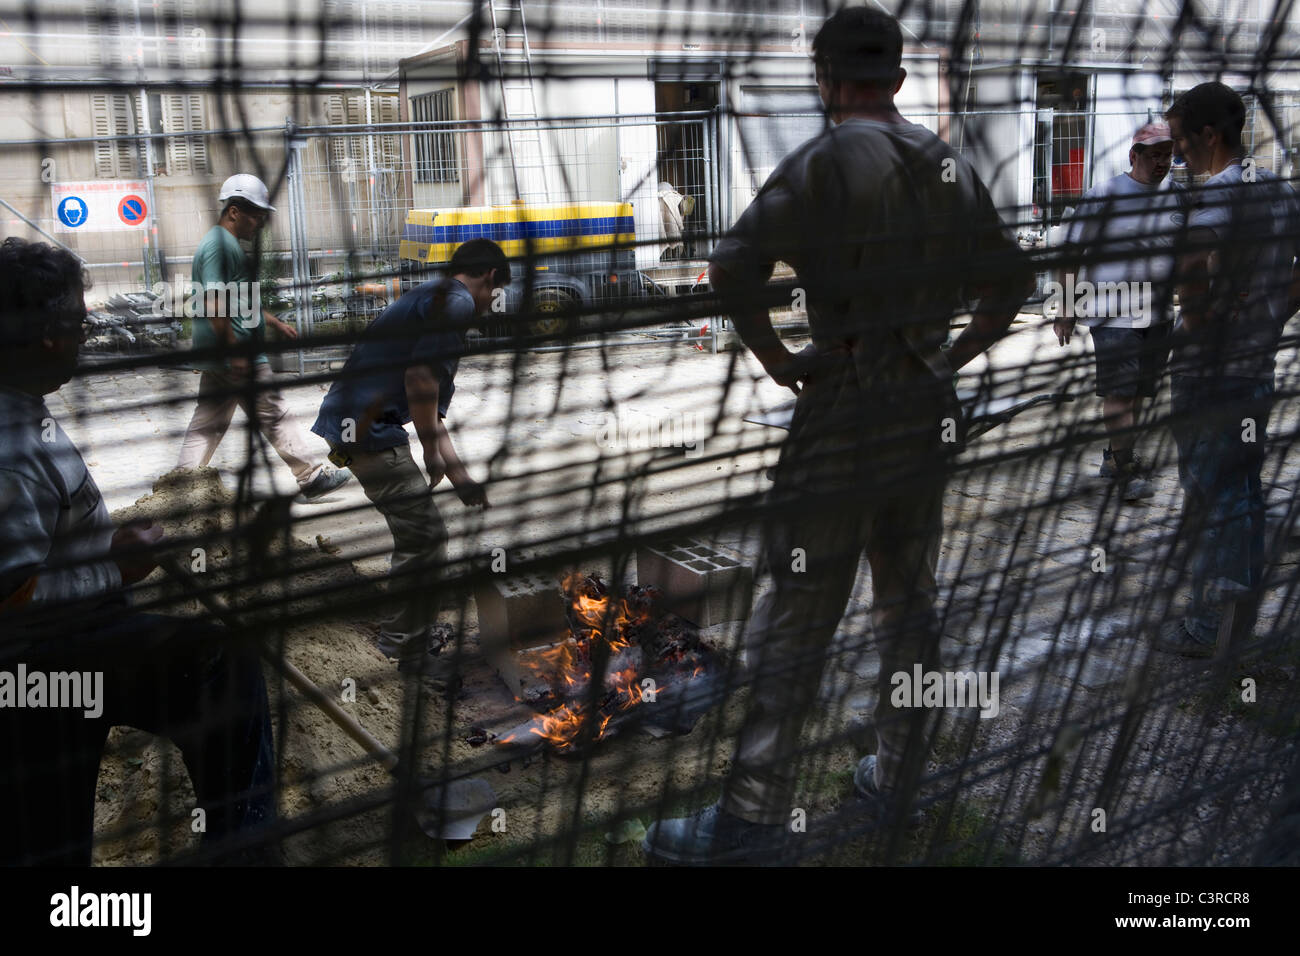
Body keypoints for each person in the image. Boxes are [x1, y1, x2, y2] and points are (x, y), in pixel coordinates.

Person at [642, 8, 1032, 864]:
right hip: (921, 421)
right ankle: (900, 775)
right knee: (908, 603)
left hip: (844, 416)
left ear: (824, 79)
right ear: (896, 77)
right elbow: (1011, 281)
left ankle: (748, 821)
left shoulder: (823, 160)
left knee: (798, 614)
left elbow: (730, 267)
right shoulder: (945, 164)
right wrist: (947, 356)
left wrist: (782, 361)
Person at [0, 237, 276, 865]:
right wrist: (112, 565)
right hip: (37, 675)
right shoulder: (8, 448)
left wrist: (100, 545)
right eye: (77, 312)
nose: (88, 323)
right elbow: (12, 598)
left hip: (66, 653)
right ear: (45, 331)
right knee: (218, 667)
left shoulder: (21, 410)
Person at [1156, 82, 1300, 656]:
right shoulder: (1278, 192)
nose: (1177, 154)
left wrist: (1194, 322)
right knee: (1242, 489)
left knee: (1213, 492)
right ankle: (1234, 617)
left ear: (1209, 135)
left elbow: (1191, 259)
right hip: (1253, 367)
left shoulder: (1217, 197)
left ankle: (1209, 626)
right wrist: (1274, 312)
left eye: (1180, 141)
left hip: (1208, 373)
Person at [311, 239, 505, 665]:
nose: (492, 303)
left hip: (358, 424)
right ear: (491, 277)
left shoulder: (433, 296)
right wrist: (433, 455)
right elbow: (420, 381)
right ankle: (400, 649)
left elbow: (428, 407)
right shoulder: (455, 305)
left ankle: (405, 634)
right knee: (425, 539)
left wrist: (461, 479)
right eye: (495, 292)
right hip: (367, 430)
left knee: (419, 535)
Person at [176, 173, 349, 501]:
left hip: (224, 353)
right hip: (237, 350)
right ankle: (310, 477)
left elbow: (239, 298)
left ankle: (182, 487)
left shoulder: (224, 244)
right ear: (234, 212)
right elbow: (215, 302)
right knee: (275, 412)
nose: (260, 222)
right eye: (255, 214)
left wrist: (272, 322)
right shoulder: (219, 246)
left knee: (208, 423)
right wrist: (236, 351)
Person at [1055, 122, 1189, 501]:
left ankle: (1115, 456)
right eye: (1156, 155)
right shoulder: (1105, 195)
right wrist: (1065, 307)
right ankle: (1125, 469)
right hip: (1112, 312)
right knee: (1120, 391)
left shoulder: (1178, 197)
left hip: (1158, 313)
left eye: (1168, 155)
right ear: (1135, 156)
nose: (1163, 162)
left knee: (1139, 393)